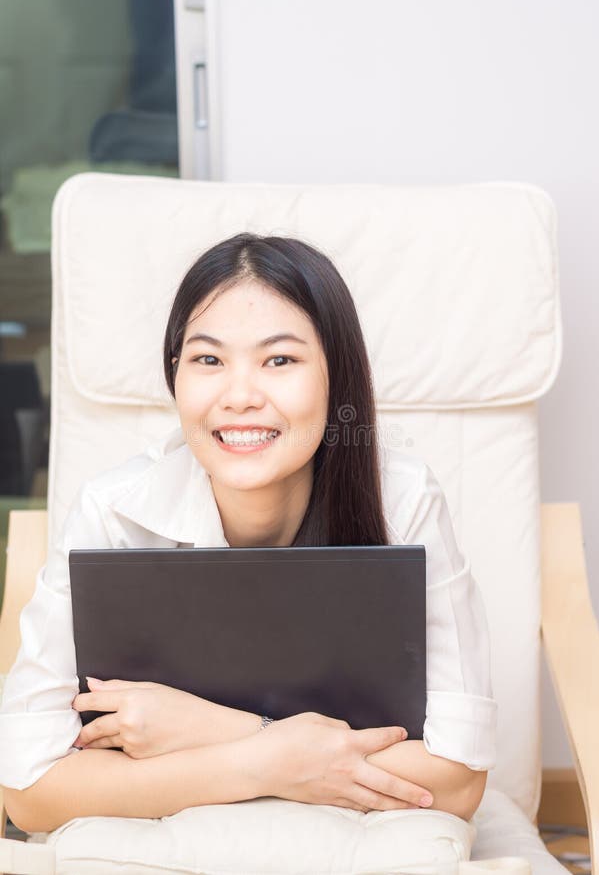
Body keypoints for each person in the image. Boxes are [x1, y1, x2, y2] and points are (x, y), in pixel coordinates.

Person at [0, 233, 497, 835]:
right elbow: (29, 790)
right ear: (175, 374)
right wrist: (267, 761)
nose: (239, 398)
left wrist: (214, 730)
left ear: (337, 376)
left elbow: (458, 780)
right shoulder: (113, 514)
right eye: (208, 360)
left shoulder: (404, 499)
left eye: (279, 360)